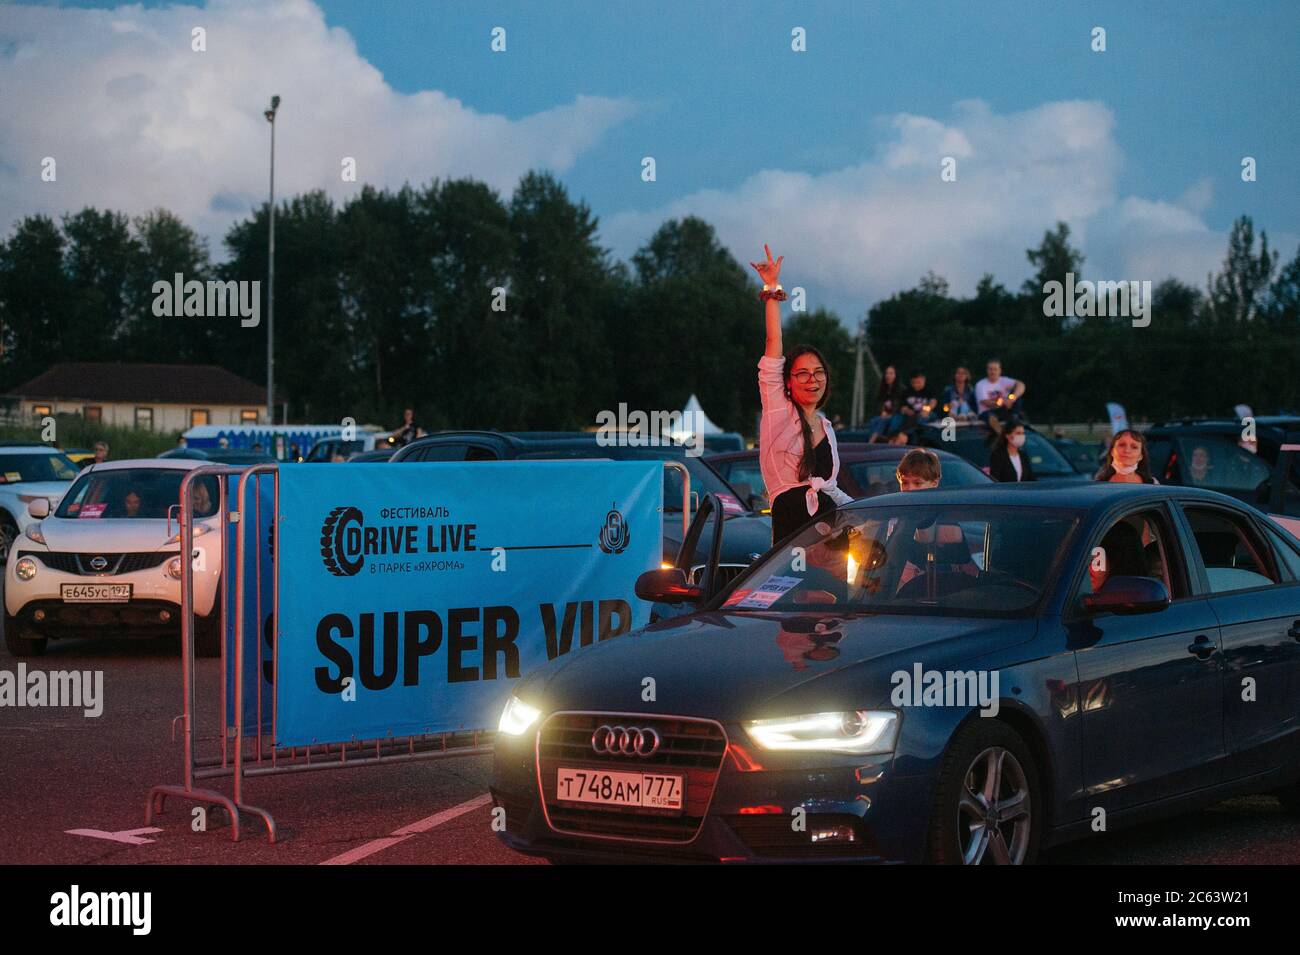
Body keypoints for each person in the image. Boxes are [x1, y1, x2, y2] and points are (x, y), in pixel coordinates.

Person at [752, 244, 853, 545]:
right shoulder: (778, 412)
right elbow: (773, 342)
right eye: (803, 373)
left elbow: (832, 489)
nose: (812, 380)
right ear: (787, 382)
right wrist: (772, 289)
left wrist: (870, 513)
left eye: (818, 372)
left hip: (832, 533)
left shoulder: (827, 428)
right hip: (794, 536)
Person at [975, 359, 1025, 426]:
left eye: (995, 369)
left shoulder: (1004, 380)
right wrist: (1002, 402)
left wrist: (1012, 398)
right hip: (987, 412)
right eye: (990, 369)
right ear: (987, 370)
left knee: (1017, 396)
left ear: (1000, 370)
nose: (992, 372)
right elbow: (986, 402)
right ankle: (1001, 434)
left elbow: (1021, 385)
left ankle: (1014, 418)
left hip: (1003, 410)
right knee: (991, 418)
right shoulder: (980, 384)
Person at [867, 366, 904, 441]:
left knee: (883, 421)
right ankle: (876, 438)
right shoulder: (882, 390)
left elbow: (900, 407)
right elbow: (879, 405)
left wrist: (890, 415)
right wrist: (882, 412)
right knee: (874, 421)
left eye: (891, 373)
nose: (888, 376)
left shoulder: (901, 390)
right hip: (884, 415)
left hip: (896, 415)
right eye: (887, 373)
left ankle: (873, 440)